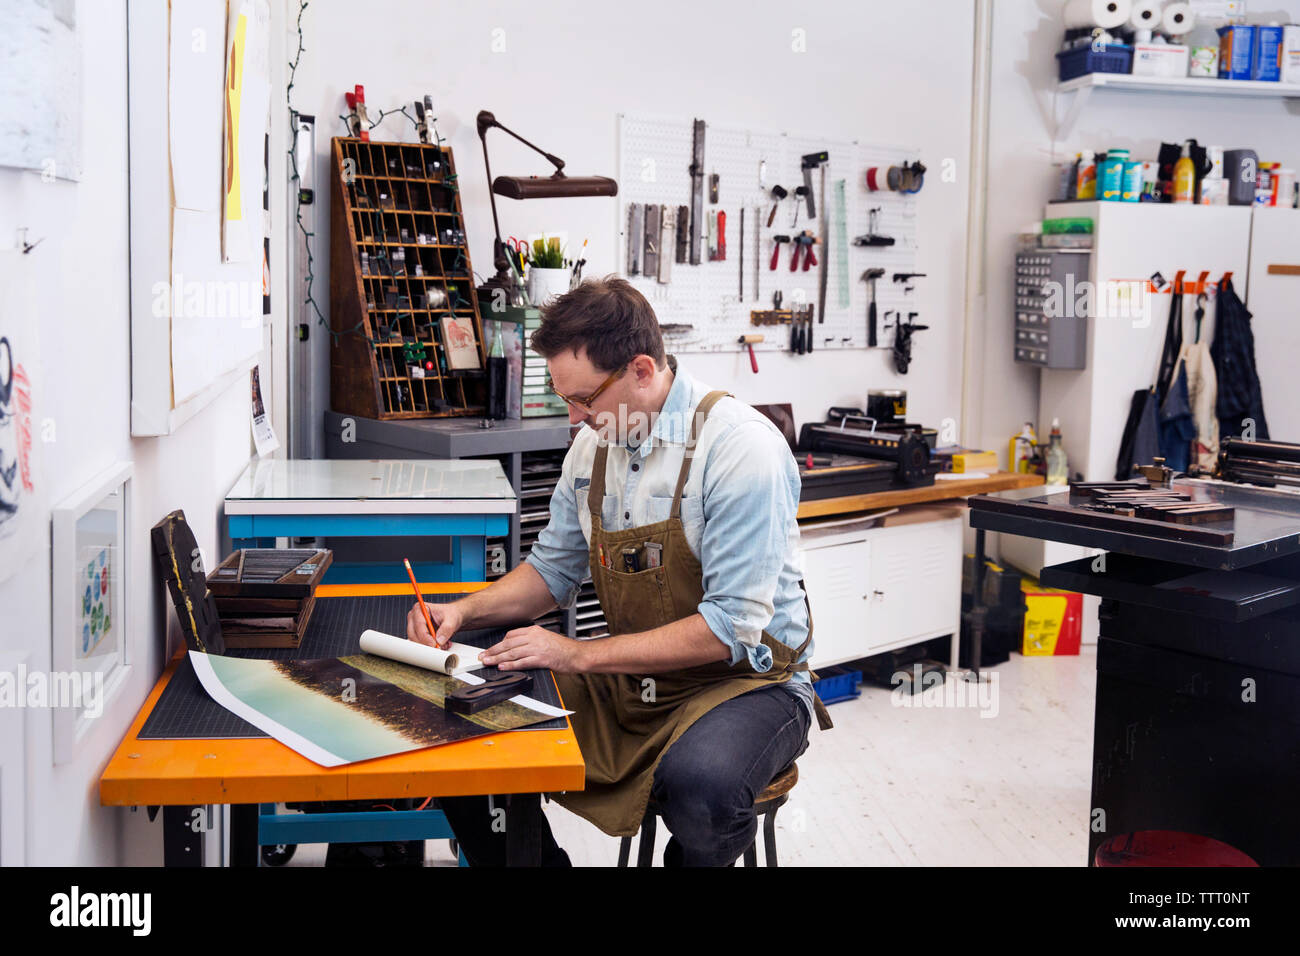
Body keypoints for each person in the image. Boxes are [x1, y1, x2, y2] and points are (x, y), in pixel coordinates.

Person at [409, 277, 831, 866]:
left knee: (702, 789)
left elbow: (727, 628)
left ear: (640, 369)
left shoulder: (739, 449)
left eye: (584, 399)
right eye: (566, 401)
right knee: (458, 732)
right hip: (639, 676)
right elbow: (551, 573)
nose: (576, 418)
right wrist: (460, 610)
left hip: (748, 685)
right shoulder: (593, 449)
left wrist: (575, 654)